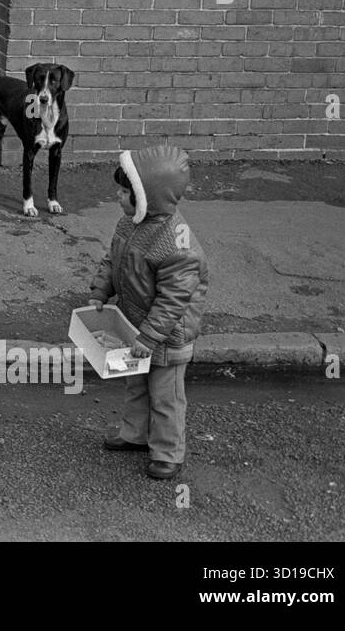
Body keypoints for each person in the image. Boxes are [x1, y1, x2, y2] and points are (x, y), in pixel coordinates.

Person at [88, 145, 209, 480]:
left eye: (126, 191)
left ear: (148, 197)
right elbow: (113, 259)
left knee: (166, 396)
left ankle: (168, 451)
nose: (118, 195)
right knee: (137, 384)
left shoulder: (177, 245)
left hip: (167, 337)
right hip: (136, 325)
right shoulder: (130, 223)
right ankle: (135, 433)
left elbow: (174, 300)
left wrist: (150, 336)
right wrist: (101, 290)